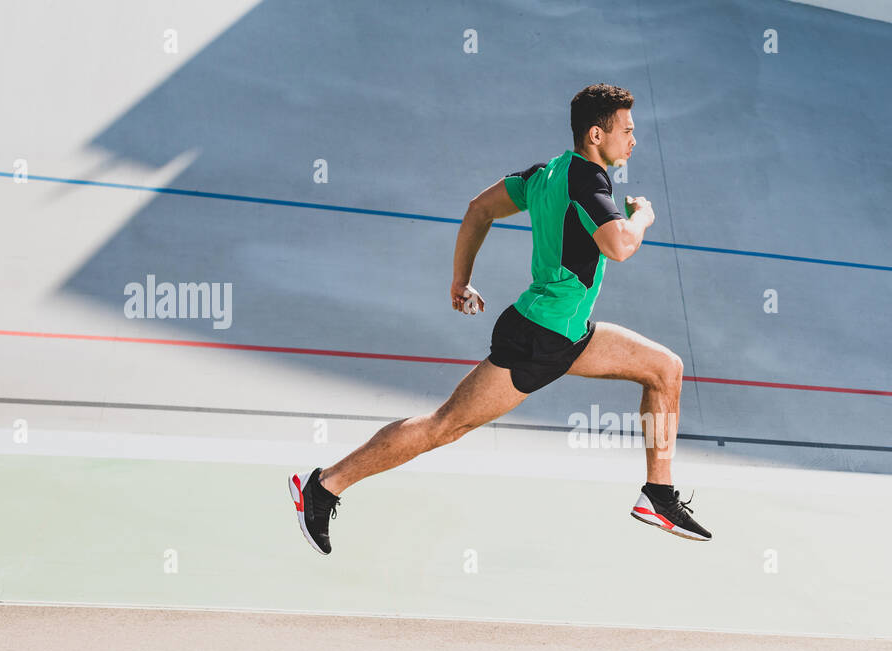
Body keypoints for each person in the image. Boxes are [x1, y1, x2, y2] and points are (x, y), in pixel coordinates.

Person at [289, 83, 710, 554]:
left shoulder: (546, 173)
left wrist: (459, 280)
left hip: (564, 332)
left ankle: (658, 493)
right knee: (444, 426)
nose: (633, 141)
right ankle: (324, 487)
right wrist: (643, 217)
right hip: (543, 338)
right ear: (596, 134)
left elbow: (480, 208)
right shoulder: (587, 180)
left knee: (664, 368)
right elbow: (620, 245)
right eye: (627, 131)